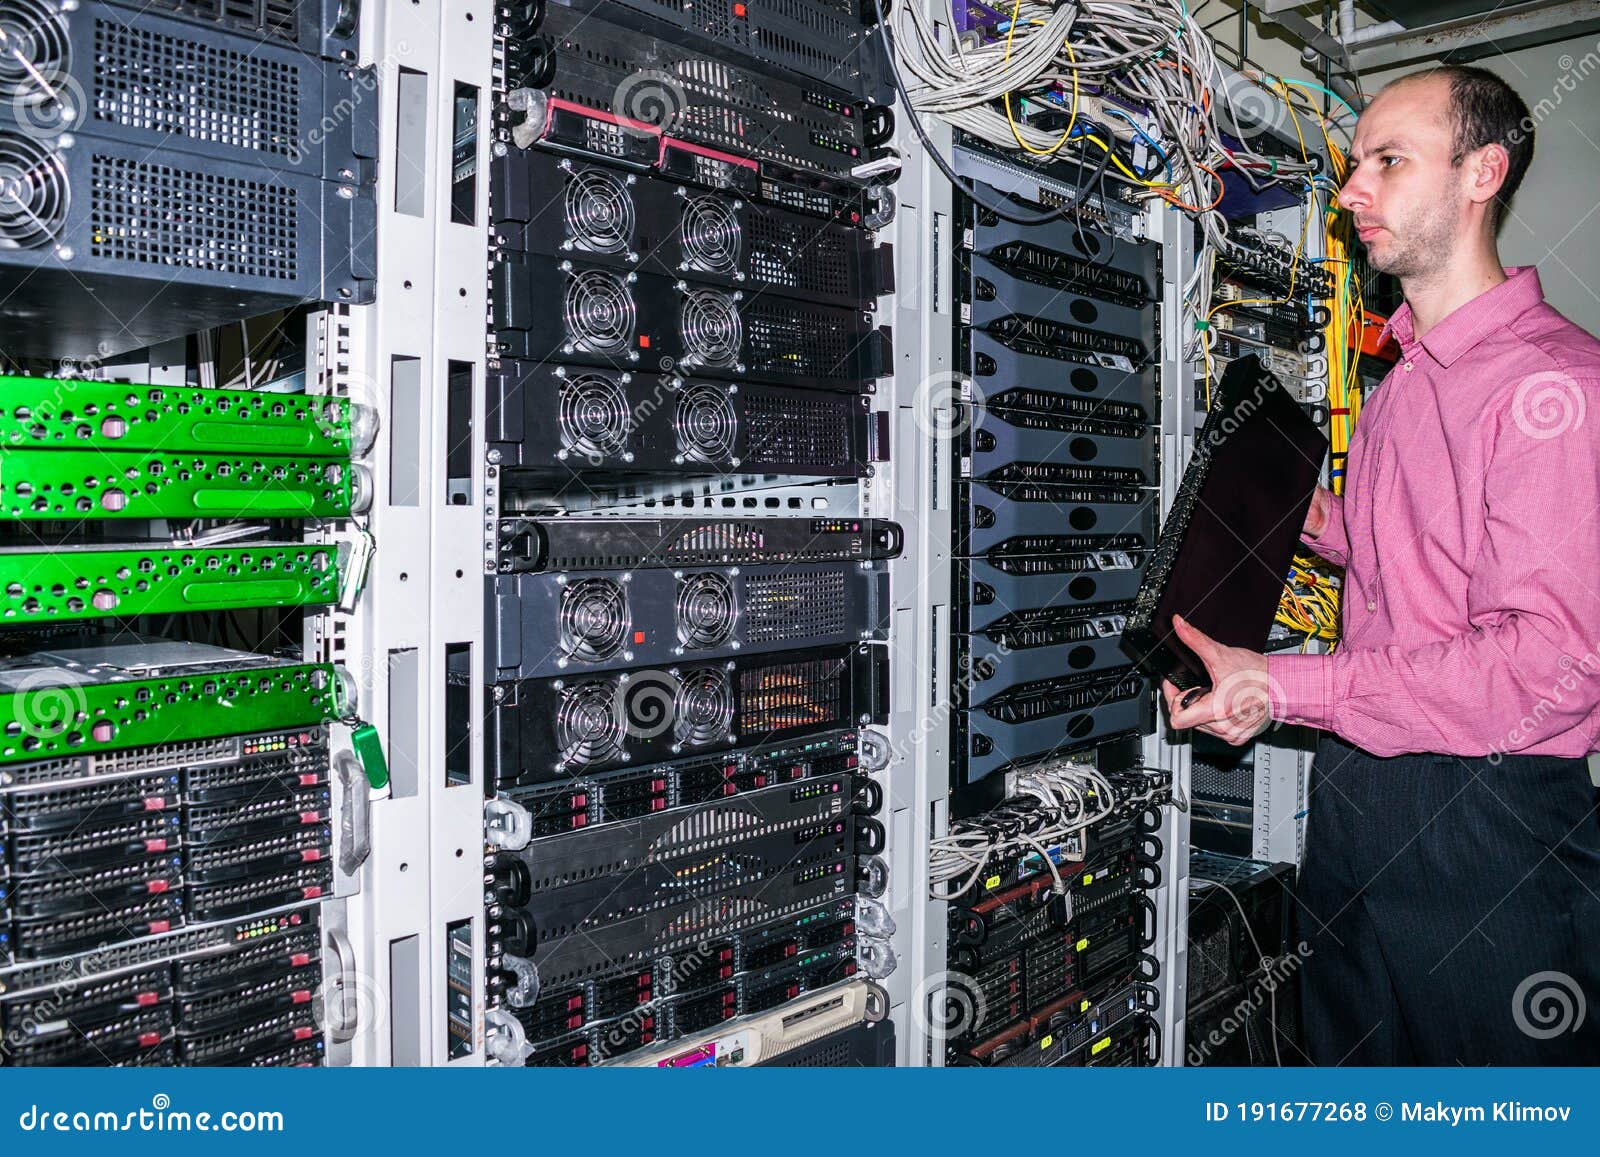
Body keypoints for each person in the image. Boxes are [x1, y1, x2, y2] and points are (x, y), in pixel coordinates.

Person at [1164, 64, 1600, 1064]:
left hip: (1488, 830)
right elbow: (1428, 557)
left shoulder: (1552, 386)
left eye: (1388, 162)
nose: (1352, 189)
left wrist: (1286, 682)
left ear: (1481, 173)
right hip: (1360, 790)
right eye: (1354, 164)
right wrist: (1296, 513)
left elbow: (1541, 666)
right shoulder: (1404, 378)